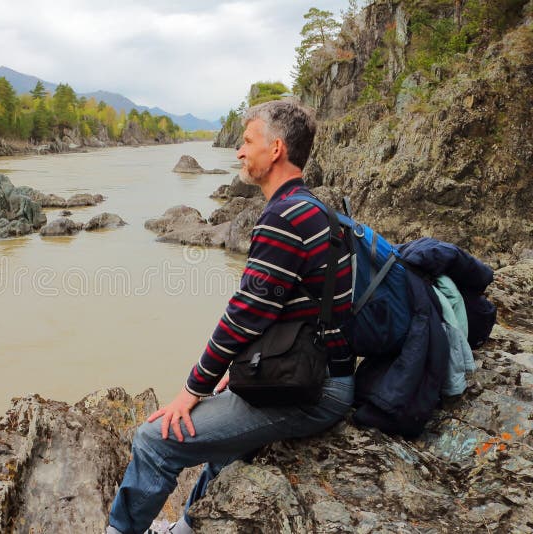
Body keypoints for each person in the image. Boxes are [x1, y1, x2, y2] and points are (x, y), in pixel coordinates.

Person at [106, 99, 357, 534]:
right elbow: (284, 308)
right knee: (225, 432)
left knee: (154, 440)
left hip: (315, 390)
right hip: (319, 371)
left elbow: (243, 316)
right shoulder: (314, 209)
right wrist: (238, 372)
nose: (239, 152)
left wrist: (192, 389)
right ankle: (187, 528)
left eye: (246, 141)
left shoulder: (283, 218)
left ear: (275, 149)